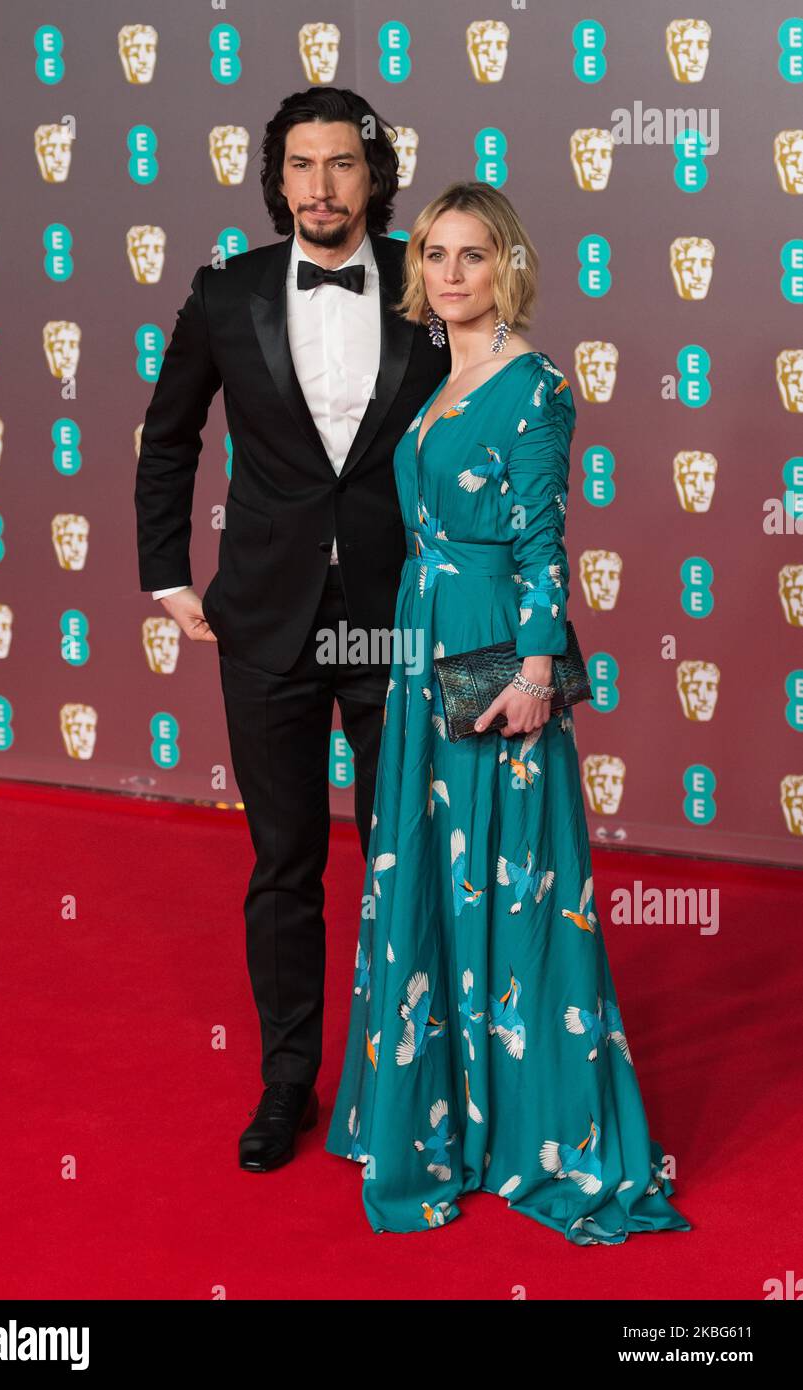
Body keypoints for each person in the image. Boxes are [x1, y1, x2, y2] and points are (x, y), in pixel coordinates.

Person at [324, 182, 693, 1244]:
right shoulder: (447, 377)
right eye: (434, 253)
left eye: (471, 255)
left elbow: (543, 539)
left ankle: (533, 1132)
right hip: (426, 632)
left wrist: (536, 671)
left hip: (490, 638)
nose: (448, 272)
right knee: (437, 864)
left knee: (508, 872)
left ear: (508, 265)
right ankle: (442, 1112)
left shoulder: (534, 385)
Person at [134, 87, 450, 1172]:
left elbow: (489, 439)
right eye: (301, 167)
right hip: (265, 622)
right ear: (277, 179)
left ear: (375, 176)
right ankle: (286, 1082)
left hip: (394, 621)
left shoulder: (431, 279)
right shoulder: (226, 292)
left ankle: (407, 1077)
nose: (320, 187)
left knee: (400, 854)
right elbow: (167, 437)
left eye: (342, 166)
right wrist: (166, 575)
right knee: (284, 862)